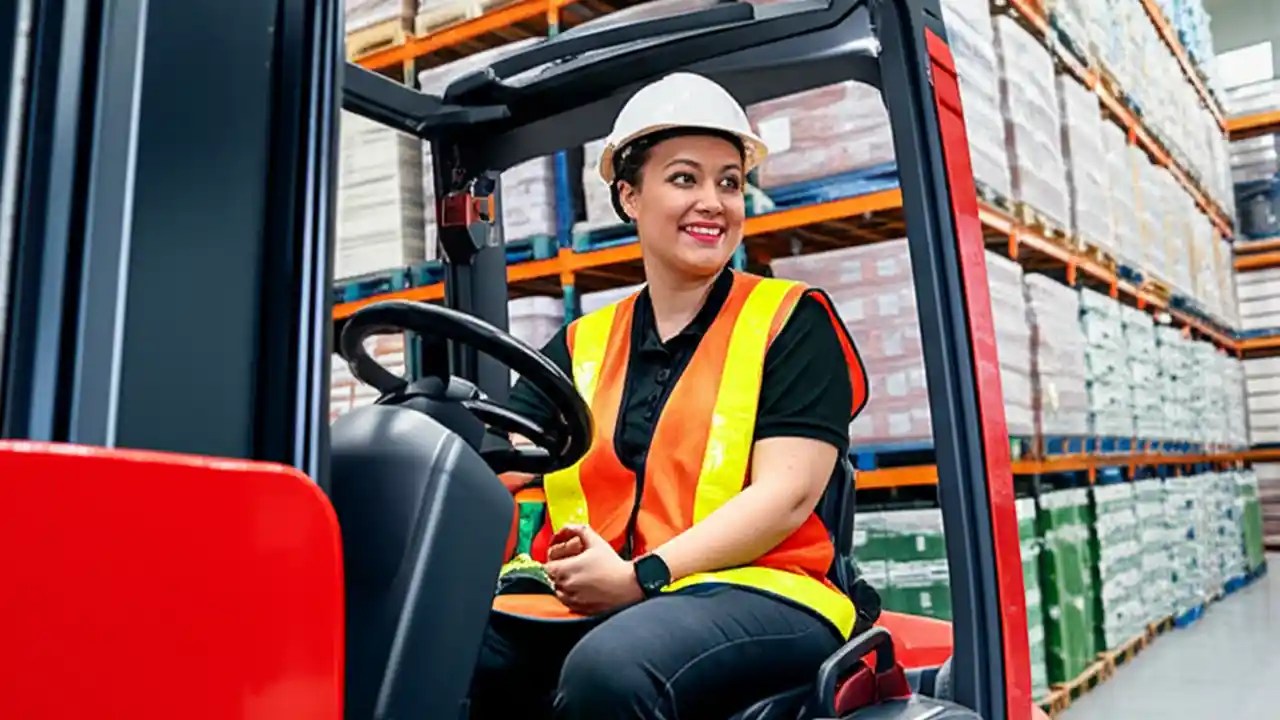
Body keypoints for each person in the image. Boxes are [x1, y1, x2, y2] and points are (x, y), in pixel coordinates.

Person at [471, 72, 869, 720]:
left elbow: (788, 495)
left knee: (612, 669)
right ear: (628, 196)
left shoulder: (790, 321)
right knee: (451, 642)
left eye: (729, 183)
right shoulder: (582, 344)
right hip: (611, 588)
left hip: (765, 590)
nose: (712, 202)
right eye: (685, 179)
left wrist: (642, 576)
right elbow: (505, 458)